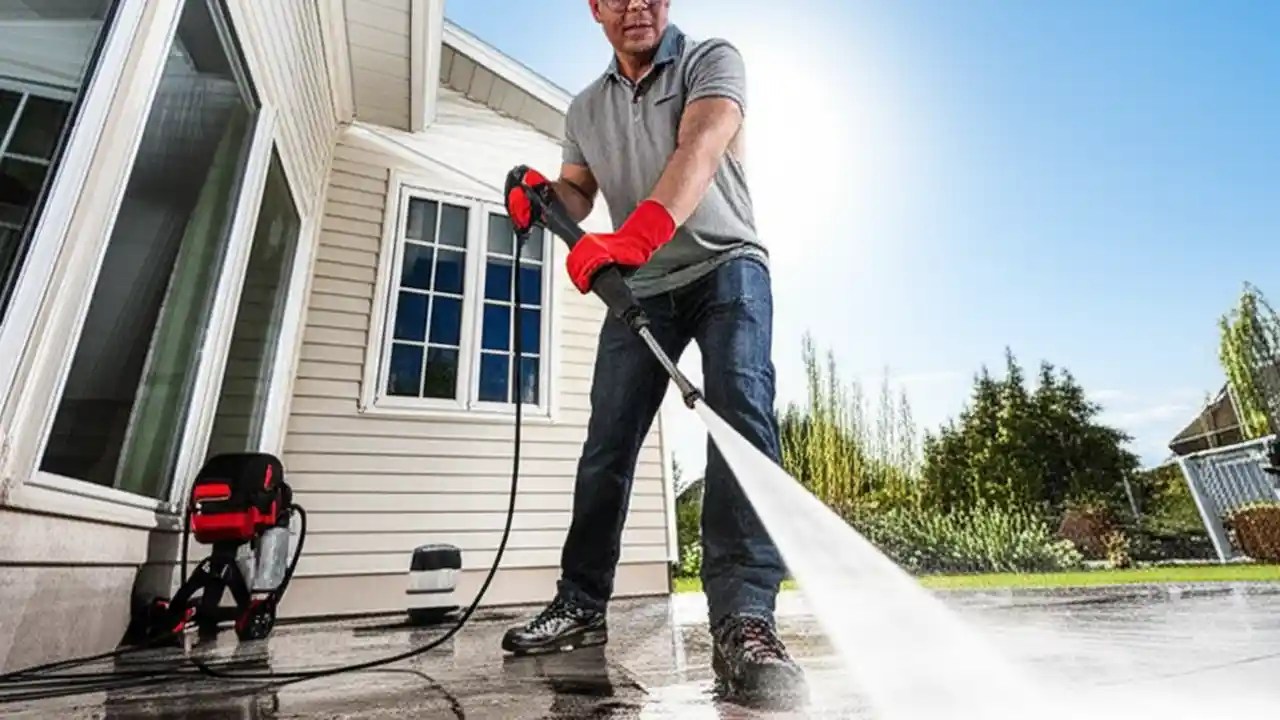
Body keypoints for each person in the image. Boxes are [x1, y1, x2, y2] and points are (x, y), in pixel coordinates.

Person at [501, 0, 807, 707]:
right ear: (596, 8)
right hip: (643, 286)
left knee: (739, 412)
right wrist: (543, 198)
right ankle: (580, 603)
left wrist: (634, 237)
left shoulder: (711, 60)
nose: (637, 4)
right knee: (607, 441)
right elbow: (579, 192)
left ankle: (744, 618)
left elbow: (698, 149)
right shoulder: (585, 108)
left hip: (726, 265)